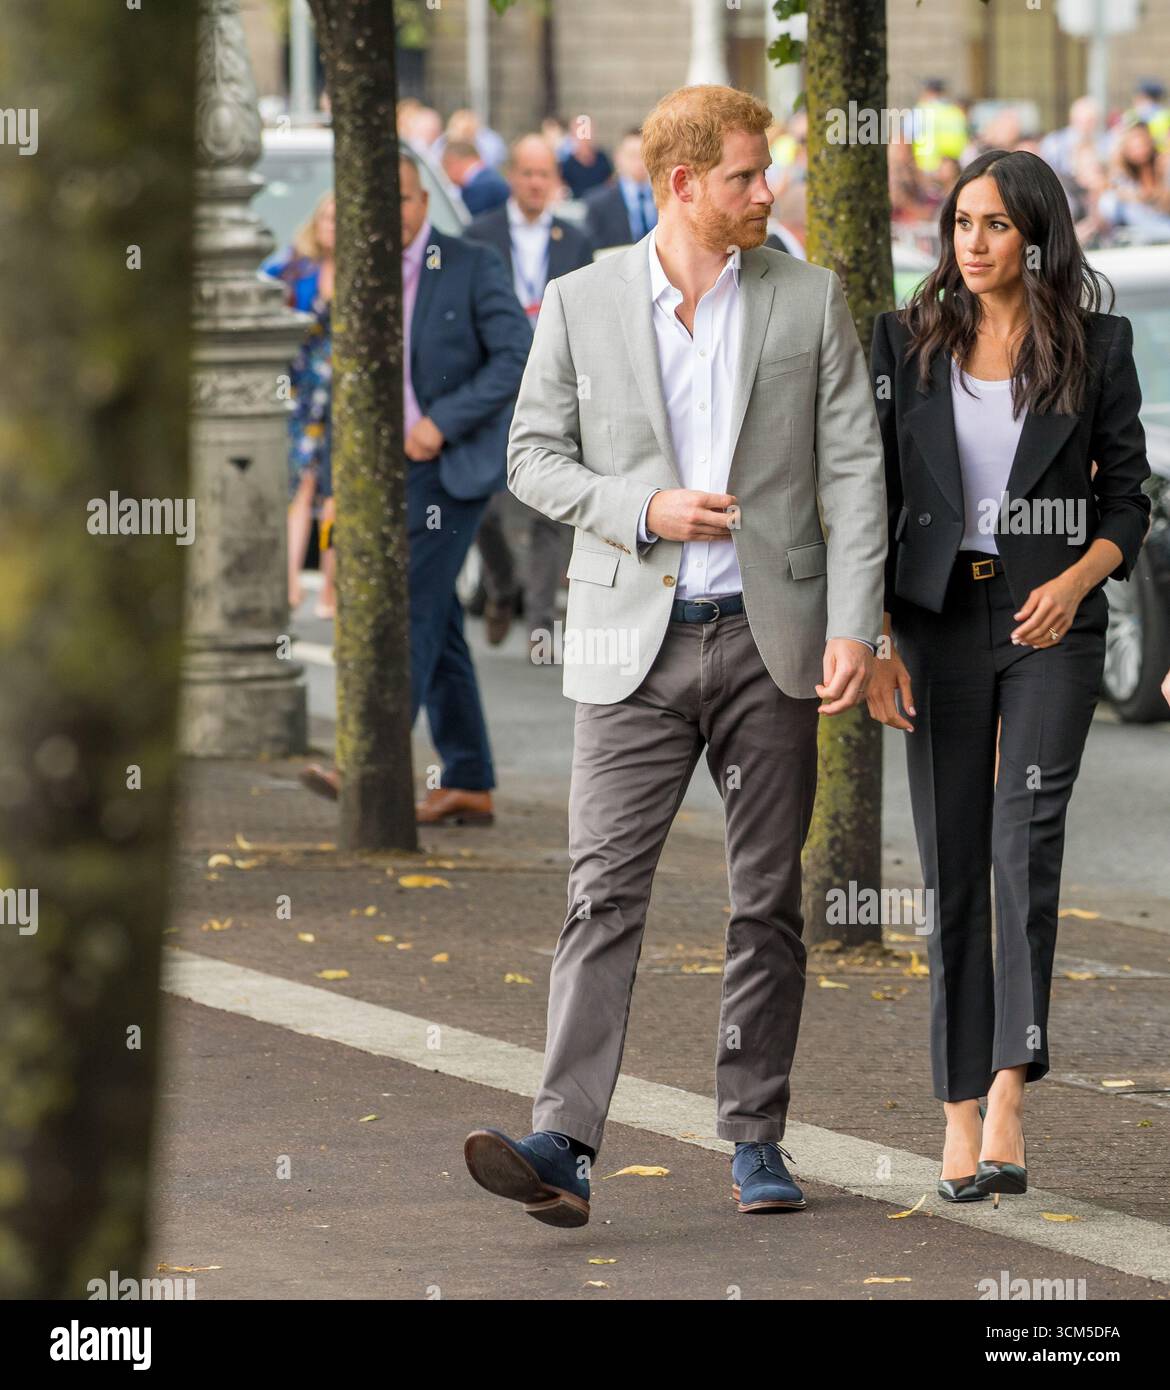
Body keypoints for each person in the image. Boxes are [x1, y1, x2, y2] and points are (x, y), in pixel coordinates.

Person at [463, 84, 886, 1226]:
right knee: (601, 894)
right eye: (749, 175)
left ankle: (756, 1138)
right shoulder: (582, 300)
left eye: (770, 172)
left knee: (766, 902)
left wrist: (857, 623)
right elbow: (532, 457)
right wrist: (643, 504)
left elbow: (854, 471)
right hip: (629, 647)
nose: (769, 191)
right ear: (684, 183)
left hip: (769, 637)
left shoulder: (809, 299)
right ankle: (562, 1141)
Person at [867, 149, 1151, 1206]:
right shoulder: (905, 341)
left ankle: (1007, 1095)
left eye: (992, 225)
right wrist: (880, 631)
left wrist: (1078, 580)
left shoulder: (1097, 348)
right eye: (959, 224)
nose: (971, 243)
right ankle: (952, 1114)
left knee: (1020, 842)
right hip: (936, 620)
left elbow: (1130, 501)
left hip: (1051, 622)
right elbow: (875, 493)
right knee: (949, 861)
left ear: (1036, 235)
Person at [299, 153, 532, 824]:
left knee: (409, 610)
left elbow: (517, 354)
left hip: (449, 468)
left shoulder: (468, 264)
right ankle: (469, 780)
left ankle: (366, 759)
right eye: (379, 200)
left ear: (423, 203)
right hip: (381, 471)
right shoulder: (360, 273)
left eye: (402, 199)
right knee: (442, 628)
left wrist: (442, 423)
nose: (392, 212)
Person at [465, 134, 595, 651]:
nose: (536, 184)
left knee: (548, 507)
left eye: (545, 175)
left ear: (555, 182)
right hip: (495, 383)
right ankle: (502, 588)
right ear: (512, 177)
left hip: (556, 381)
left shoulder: (575, 239)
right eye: (527, 174)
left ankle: (540, 623)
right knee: (487, 503)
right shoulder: (480, 235)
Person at [262, 191, 337, 617]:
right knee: (297, 486)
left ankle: (332, 587)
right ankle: (288, 581)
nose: (332, 224)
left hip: (344, 397)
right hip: (299, 395)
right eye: (326, 215)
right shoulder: (290, 269)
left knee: (336, 494)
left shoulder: (363, 273)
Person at [582, 129, 657, 250]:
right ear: (618, 158)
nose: (639, 162)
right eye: (632, 155)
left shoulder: (666, 198)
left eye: (645, 155)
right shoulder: (598, 203)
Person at [441, 139, 510, 217]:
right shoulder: (489, 177)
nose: (445, 175)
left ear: (452, 161)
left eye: (445, 168)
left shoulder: (479, 186)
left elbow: (468, 223)